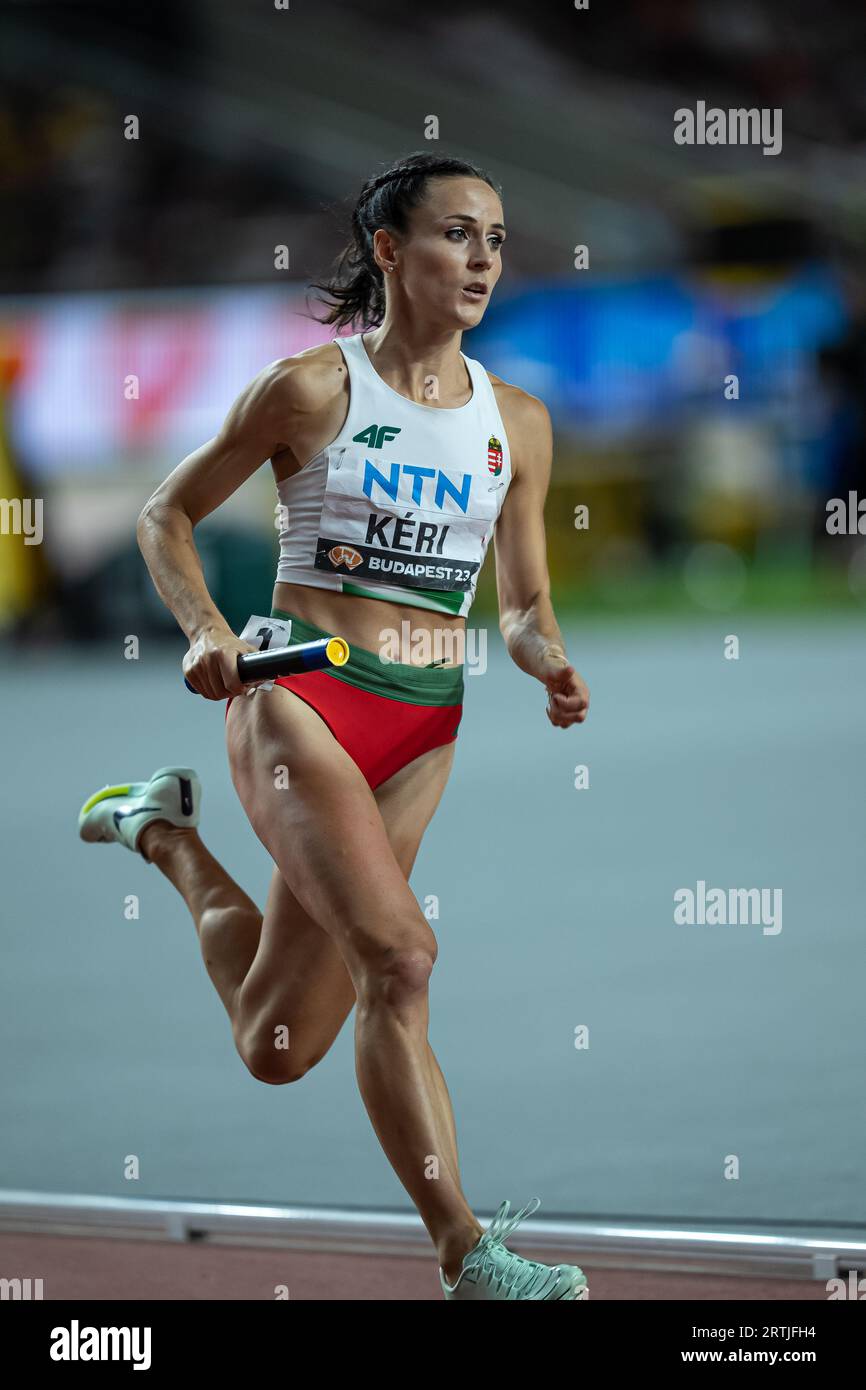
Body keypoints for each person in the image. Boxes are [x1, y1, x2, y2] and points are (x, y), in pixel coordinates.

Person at [78, 151, 591, 1300]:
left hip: (424, 721)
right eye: (457, 234)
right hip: (298, 697)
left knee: (277, 1046)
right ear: (388, 251)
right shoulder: (312, 389)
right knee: (401, 959)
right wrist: (207, 625)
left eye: (496, 241)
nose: (481, 261)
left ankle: (161, 833)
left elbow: (520, 604)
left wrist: (545, 659)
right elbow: (167, 513)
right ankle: (467, 1252)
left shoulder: (518, 421)